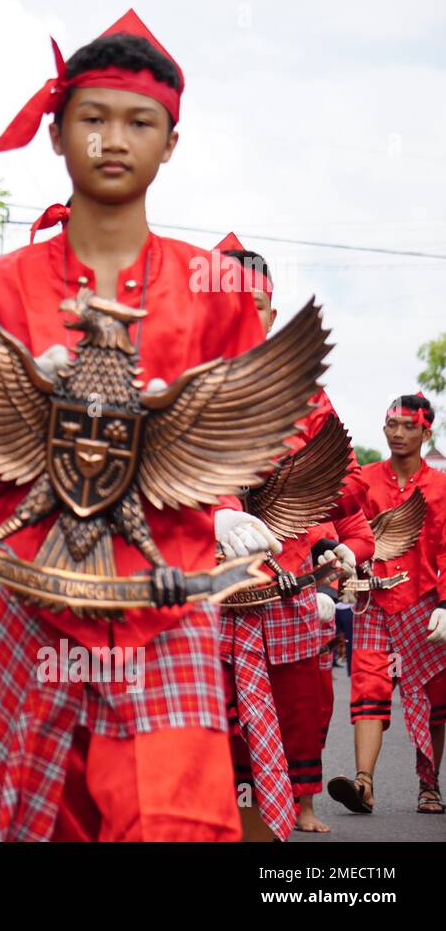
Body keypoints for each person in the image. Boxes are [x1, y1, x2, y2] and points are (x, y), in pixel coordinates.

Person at [0, 10, 269, 841]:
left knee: (175, 822)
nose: (114, 139)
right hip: (34, 605)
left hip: (165, 609)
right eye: (93, 118)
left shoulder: (218, 286)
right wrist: (20, 406)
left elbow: (255, 429)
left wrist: (221, 494)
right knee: (31, 824)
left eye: (138, 121)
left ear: (171, 143)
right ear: (57, 133)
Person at [213, 239, 373, 837]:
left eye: (251, 304)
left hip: (285, 584)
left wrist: (286, 485)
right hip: (205, 588)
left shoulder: (305, 395)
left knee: (298, 705)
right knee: (213, 723)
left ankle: (289, 809)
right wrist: (223, 509)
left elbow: (351, 483)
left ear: (272, 316)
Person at [327, 394, 446, 816]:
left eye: (408, 426)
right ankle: (364, 784)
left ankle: (428, 786)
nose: (397, 433)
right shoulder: (365, 479)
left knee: (433, 697)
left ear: (425, 430)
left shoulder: (441, 487)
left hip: (426, 603)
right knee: (369, 689)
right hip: (372, 602)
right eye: (391, 424)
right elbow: (338, 517)